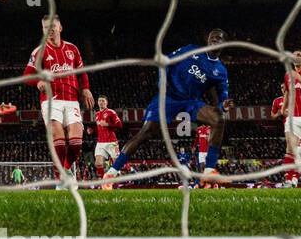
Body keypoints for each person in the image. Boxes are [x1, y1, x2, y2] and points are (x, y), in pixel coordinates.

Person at [104, 28, 233, 184]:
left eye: (219, 37)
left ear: (225, 43)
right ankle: (111, 173)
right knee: (145, 133)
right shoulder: (191, 49)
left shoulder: (221, 71)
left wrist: (224, 104)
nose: (215, 39)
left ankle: (209, 170)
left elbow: (222, 98)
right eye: (212, 36)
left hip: (191, 101)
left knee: (218, 118)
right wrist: (162, 82)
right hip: (169, 97)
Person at [23, 16, 93, 176]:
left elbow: (81, 72)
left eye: (53, 27)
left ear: (60, 28)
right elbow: (27, 75)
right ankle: (60, 178)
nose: (50, 30)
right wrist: (38, 82)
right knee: (59, 140)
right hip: (51, 100)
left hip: (72, 100)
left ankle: (64, 171)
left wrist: (86, 89)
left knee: (76, 144)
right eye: (46, 27)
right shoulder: (39, 51)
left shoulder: (72, 49)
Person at [91, 96, 122, 177]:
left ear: (106, 102)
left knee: (116, 163)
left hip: (111, 141)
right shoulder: (97, 114)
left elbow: (119, 124)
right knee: (98, 163)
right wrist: (92, 130)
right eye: (99, 101)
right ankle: (102, 181)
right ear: (97, 102)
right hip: (100, 142)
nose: (101, 102)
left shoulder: (111, 112)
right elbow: (99, 127)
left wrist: (108, 124)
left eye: (103, 101)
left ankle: (118, 181)